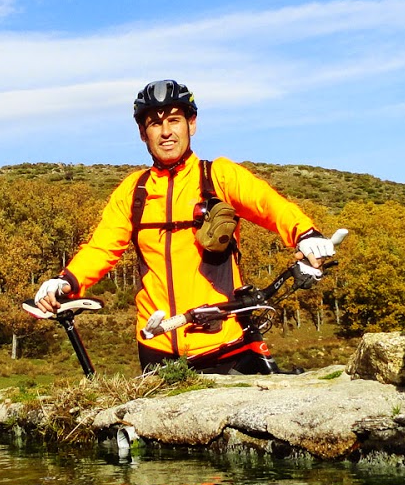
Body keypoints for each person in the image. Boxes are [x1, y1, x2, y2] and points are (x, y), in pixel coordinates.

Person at [34, 79, 338, 374]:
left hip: (223, 340)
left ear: (191, 124)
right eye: (155, 123)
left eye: (175, 121)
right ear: (143, 133)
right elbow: (102, 247)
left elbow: (270, 206)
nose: (166, 132)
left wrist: (305, 234)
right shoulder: (133, 191)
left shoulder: (218, 176)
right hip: (157, 346)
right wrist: (66, 282)